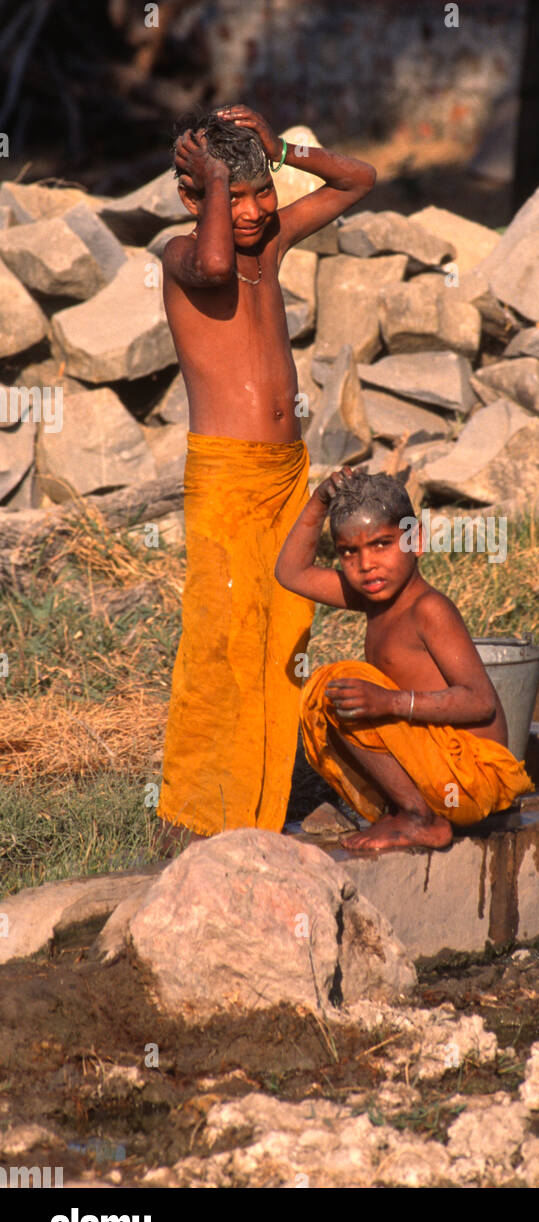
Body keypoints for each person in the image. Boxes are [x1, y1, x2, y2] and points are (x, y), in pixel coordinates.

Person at [155, 106, 376, 847]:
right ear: (194, 197)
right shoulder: (183, 254)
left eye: (260, 193)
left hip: (286, 472)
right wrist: (215, 178)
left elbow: (357, 179)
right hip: (226, 475)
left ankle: (262, 802)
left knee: (284, 628)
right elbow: (216, 264)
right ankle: (198, 814)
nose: (251, 212)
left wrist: (283, 146)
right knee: (223, 634)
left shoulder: (270, 245)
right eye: (230, 196)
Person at [275, 468, 534, 852]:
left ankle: (419, 819)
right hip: (440, 770)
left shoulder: (429, 609)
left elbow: (480, 701)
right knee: (328, 696)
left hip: (474, 777)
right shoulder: (370, 596)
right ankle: (406, 810)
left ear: (416, 541)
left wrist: (390, 702)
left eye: (382, 544)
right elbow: (290, 572)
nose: (366, 565)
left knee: (340, 679)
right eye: (350, 552)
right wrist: (319, 501)